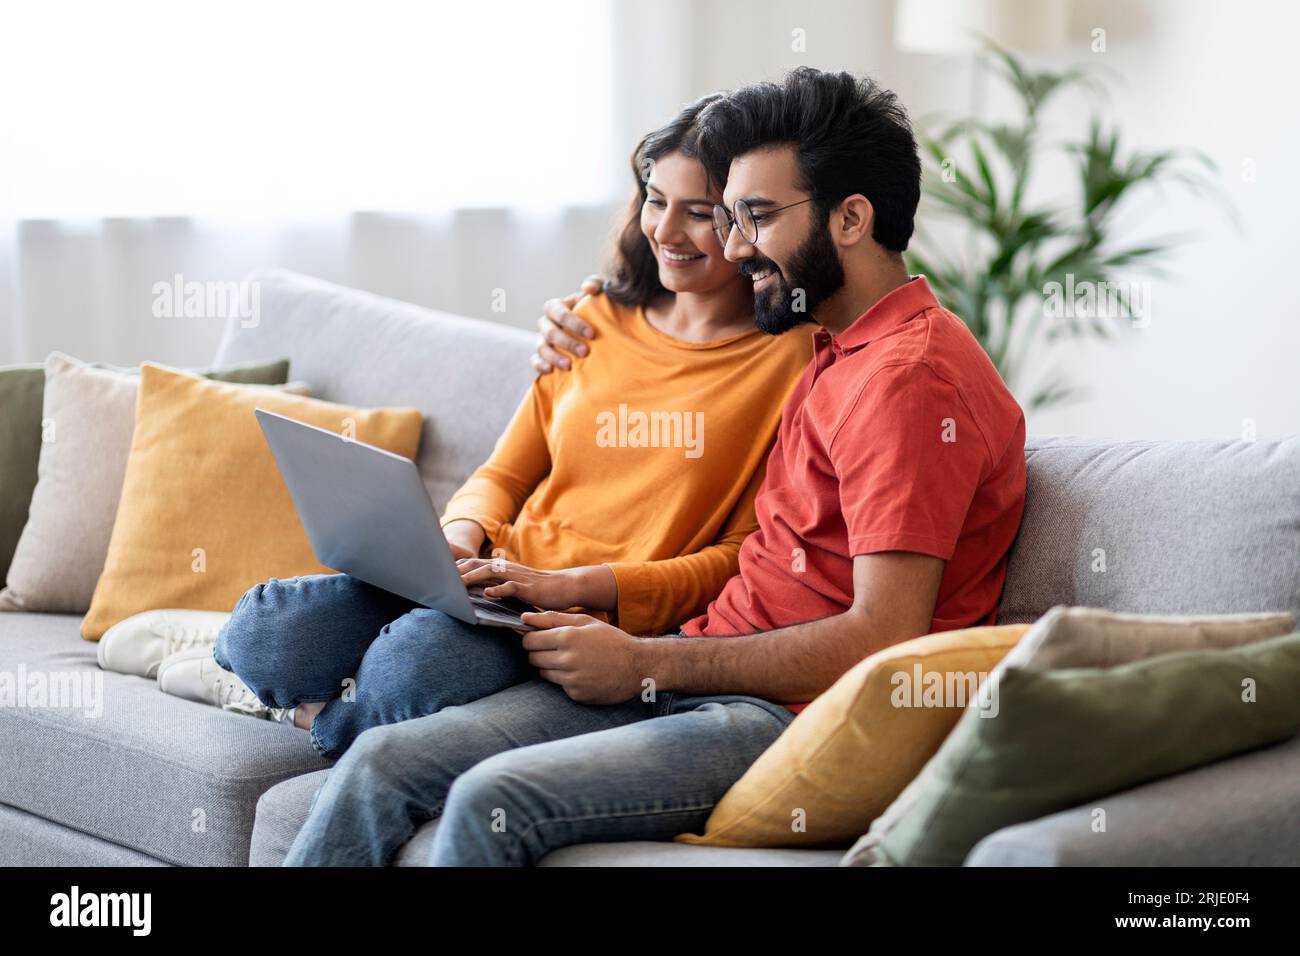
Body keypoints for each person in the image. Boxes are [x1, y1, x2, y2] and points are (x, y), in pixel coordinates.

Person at [284, 67, 1027, 866]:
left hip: (776, 712)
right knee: (381, 761)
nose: (733, 248)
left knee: (491, 800)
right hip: (697, 668)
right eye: (729, 216)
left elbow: (881, 636)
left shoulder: (910, 382)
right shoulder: (835, 342)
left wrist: (646, 661)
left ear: (852, 218)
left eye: (755, 217)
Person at [207, 94, 812, 758]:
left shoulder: (792, 361)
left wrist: (576, 587)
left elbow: (736, 558)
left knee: (409, 666)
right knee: (263, 630)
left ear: (748, 225)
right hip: (490, 579)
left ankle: (318, 720)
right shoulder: (592, 318)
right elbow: (505, 471)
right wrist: (456, 541)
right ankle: (332, 694)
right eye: (655, 198)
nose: (665, 231)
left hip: (578, 618)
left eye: (700, 213)